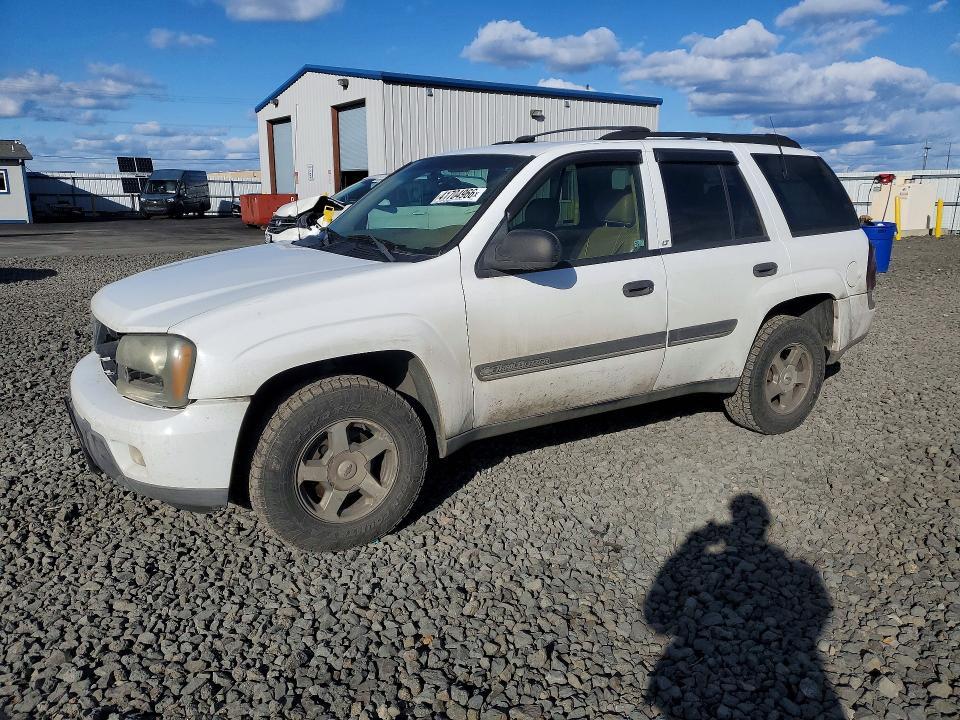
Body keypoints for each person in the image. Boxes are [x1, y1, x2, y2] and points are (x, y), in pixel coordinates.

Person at [644, 494, 843, 719]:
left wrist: (693, 544)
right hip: (800, 664)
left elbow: (656, 618)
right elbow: (822, 610)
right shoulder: (796, 569)